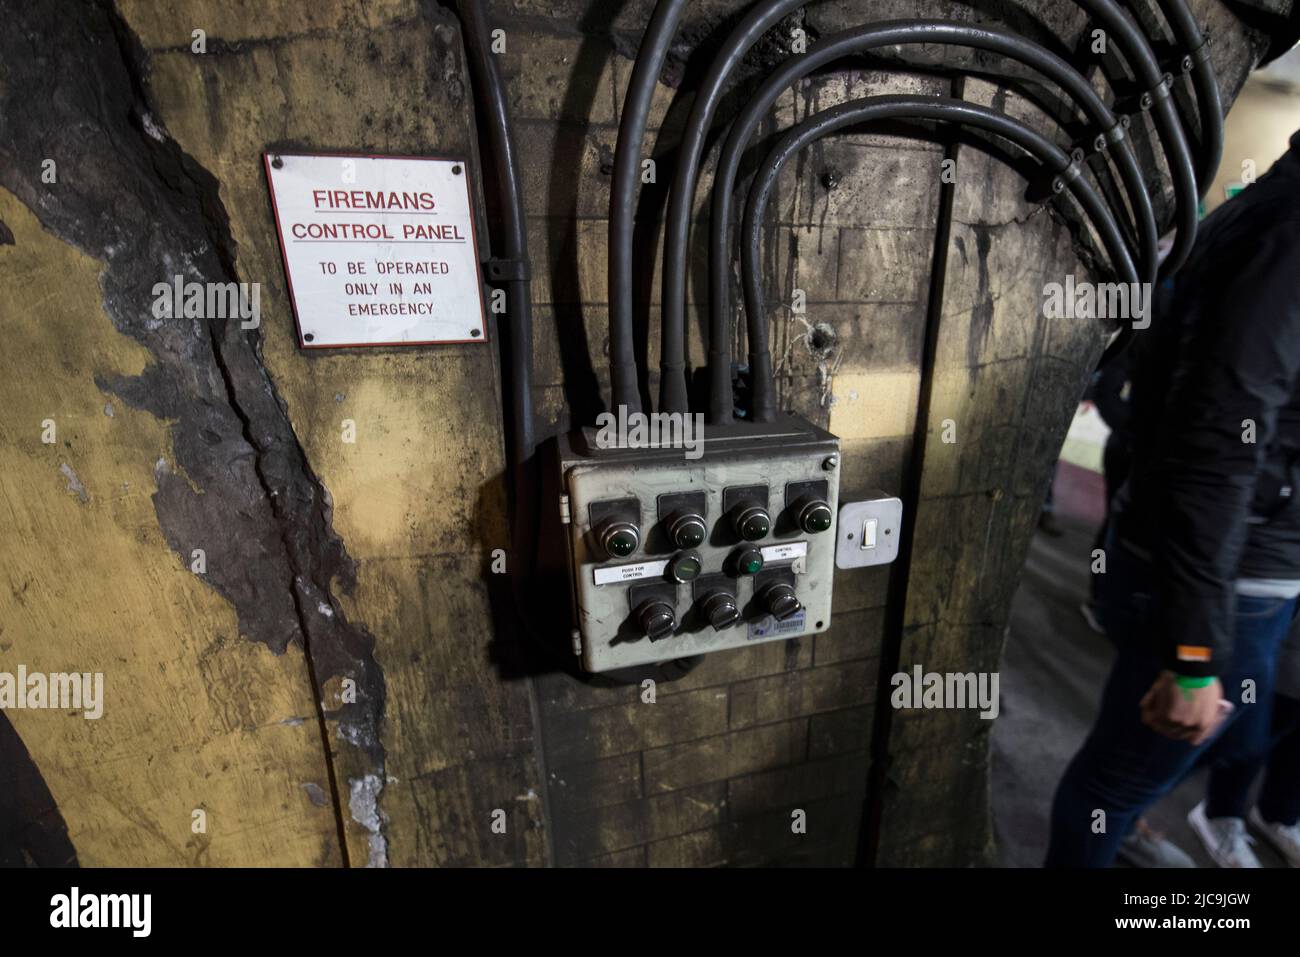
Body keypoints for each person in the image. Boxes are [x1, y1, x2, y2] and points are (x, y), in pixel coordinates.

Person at [1045, 130, 1300, 868]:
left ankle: (1124, 830)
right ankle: (1115, 827)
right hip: (1231, 567)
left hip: (1246, 559)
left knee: (1215, 734)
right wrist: (1193, 651)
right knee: (1118, 777)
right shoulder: (1288, 230)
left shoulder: (1267, 208)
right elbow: (1218, 439)